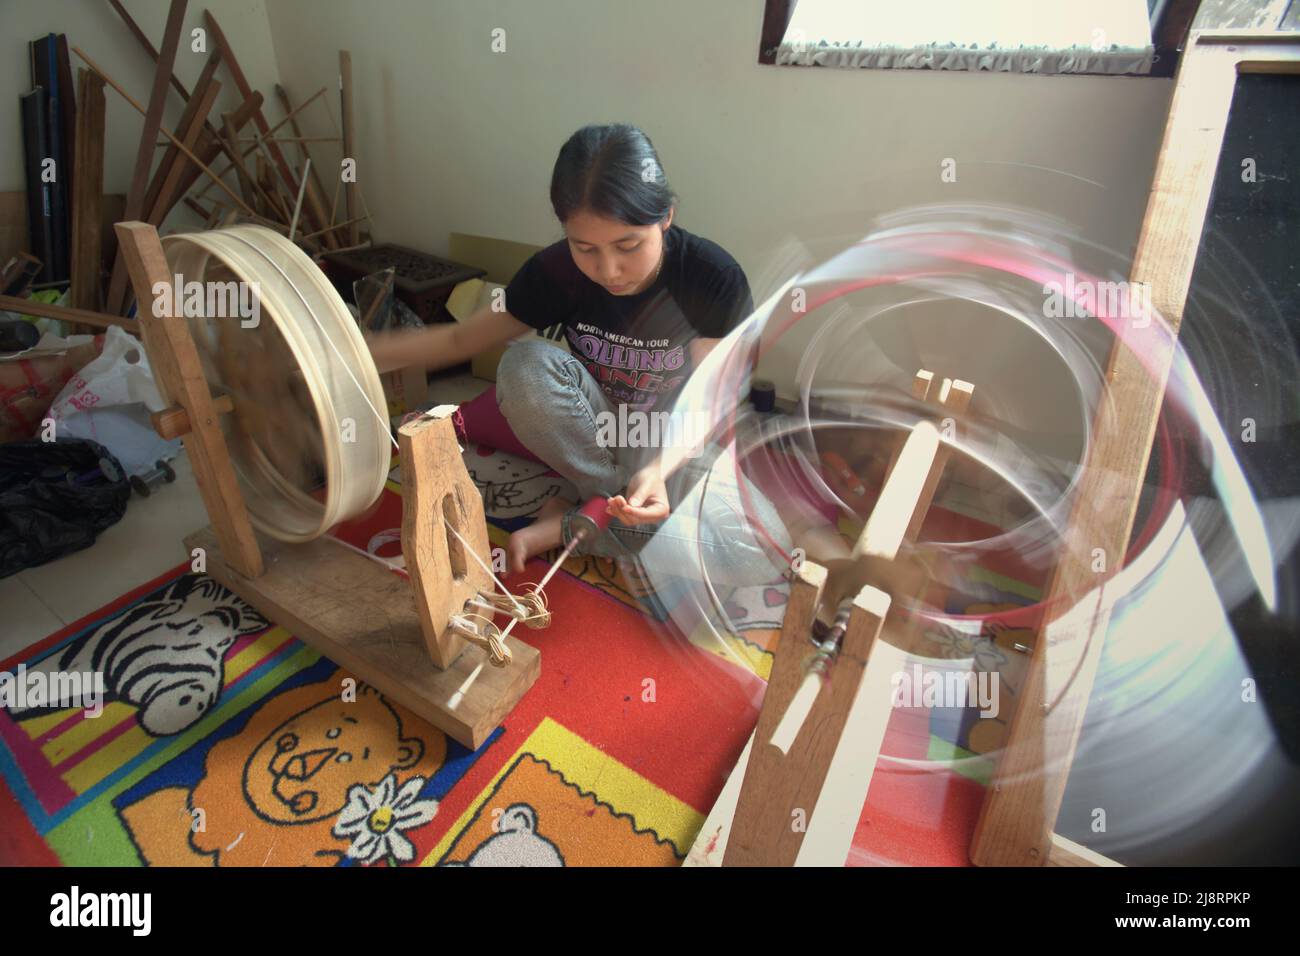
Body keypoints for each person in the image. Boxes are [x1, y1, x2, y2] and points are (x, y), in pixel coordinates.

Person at [368, 123, 794, 589]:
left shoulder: (711, 277)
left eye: (628, 245)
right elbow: (458, 342)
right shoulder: (554, 272)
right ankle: (610, 505)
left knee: (761, 555)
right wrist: (350, 355)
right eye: (584, 248)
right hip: (596, 433)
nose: (608, 271)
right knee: (524, 366)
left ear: (666, 216)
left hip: (673, 441)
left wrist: (656, 470)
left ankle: (575, 525)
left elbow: (710, 400)